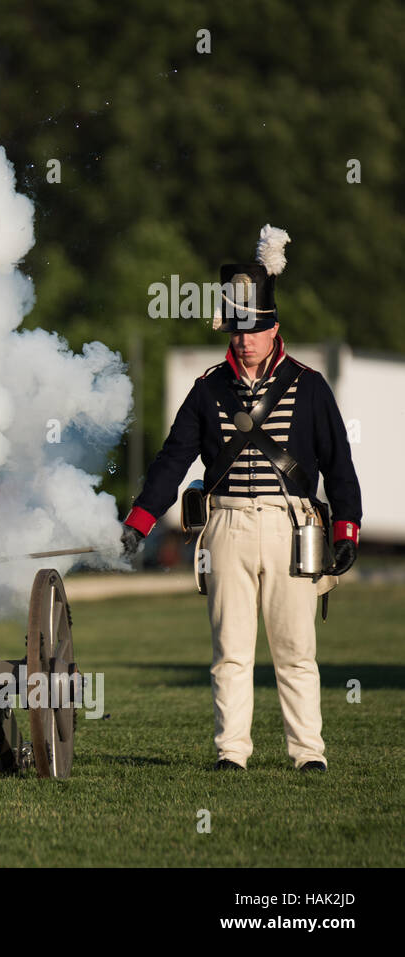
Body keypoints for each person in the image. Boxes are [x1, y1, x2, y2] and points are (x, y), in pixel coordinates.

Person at [120, 226, 361, 773]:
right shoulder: (207, 388)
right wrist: (139, 519)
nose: (245, 339)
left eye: (255, 329)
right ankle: (232, 752)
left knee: (296, 651)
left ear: (274, 328)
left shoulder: (310, 385)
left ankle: (307, 754)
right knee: (230, 651)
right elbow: (172, 460)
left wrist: (346, 529)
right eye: (237, 329)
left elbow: (339, 465)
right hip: (224, 526)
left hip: (291, 527)